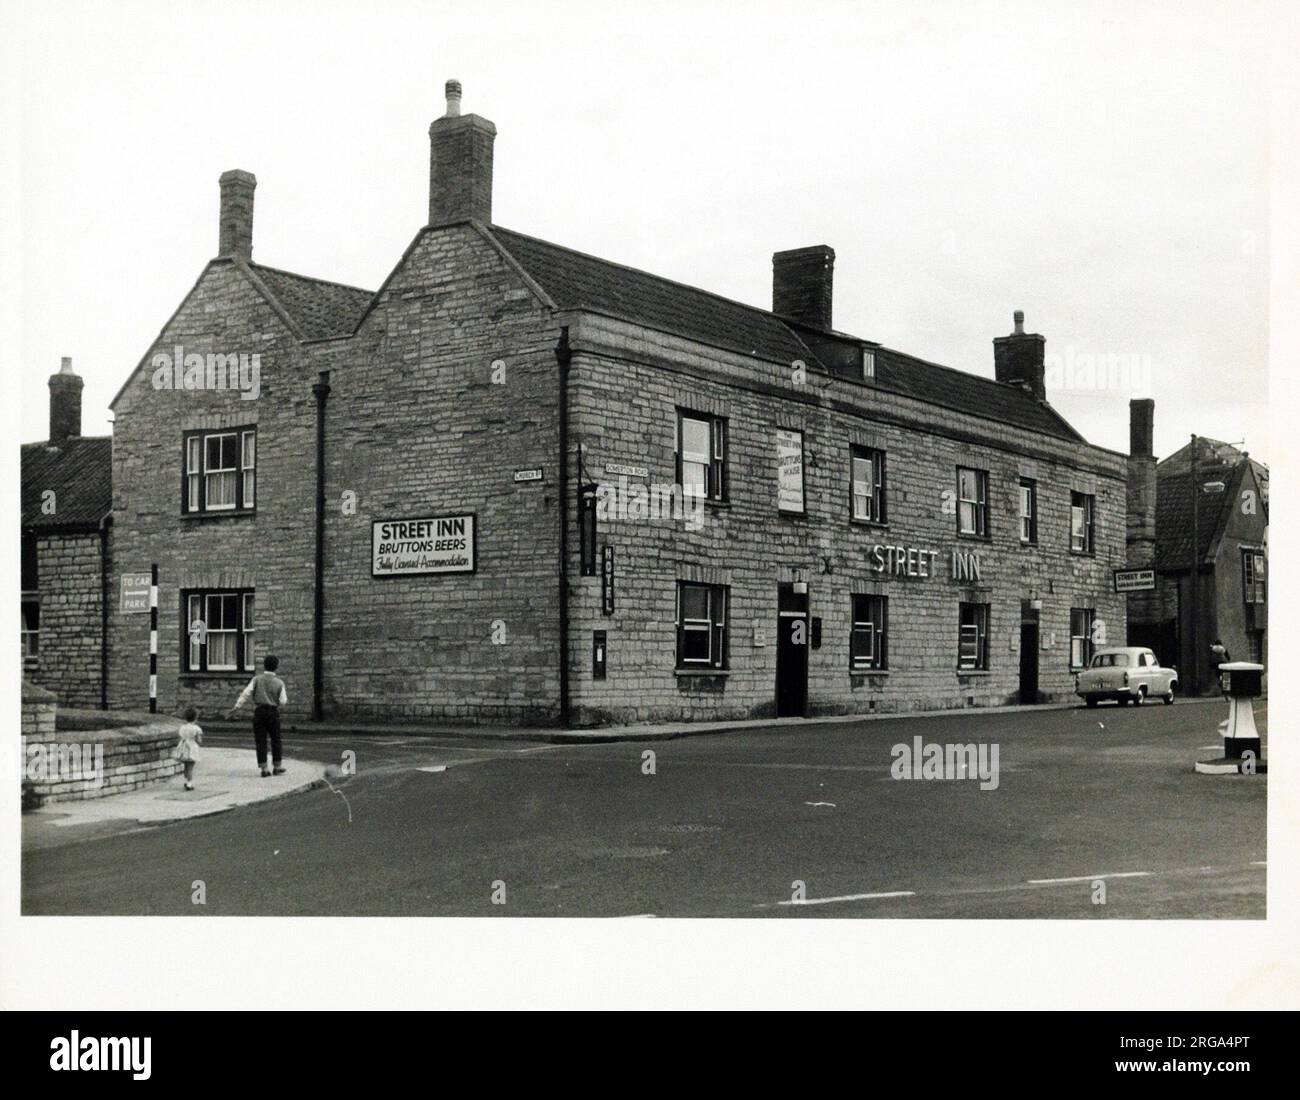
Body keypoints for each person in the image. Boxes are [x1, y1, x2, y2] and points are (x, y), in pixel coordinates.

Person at [229, 654, 288, 777]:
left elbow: (246, 693)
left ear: (264, 666)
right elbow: (283, 701)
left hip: (259, 711)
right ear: (276, 667)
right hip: (273, 712)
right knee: (276, 739)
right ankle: (277, 766)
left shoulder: (256, 679)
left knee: (260, 740)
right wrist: (275, 702)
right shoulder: (279, 683)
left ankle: (264, 768)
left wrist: (237, 706)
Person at [175, 706, 203, 790]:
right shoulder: (196, 728)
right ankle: (189, 784)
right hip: (191, 748)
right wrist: (198, 739)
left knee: (186, 766)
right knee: (191, 767)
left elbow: (180, 736)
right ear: (195, 718)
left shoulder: (182, 727)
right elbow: (199, 740)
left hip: (183, 747)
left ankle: (186, 780)